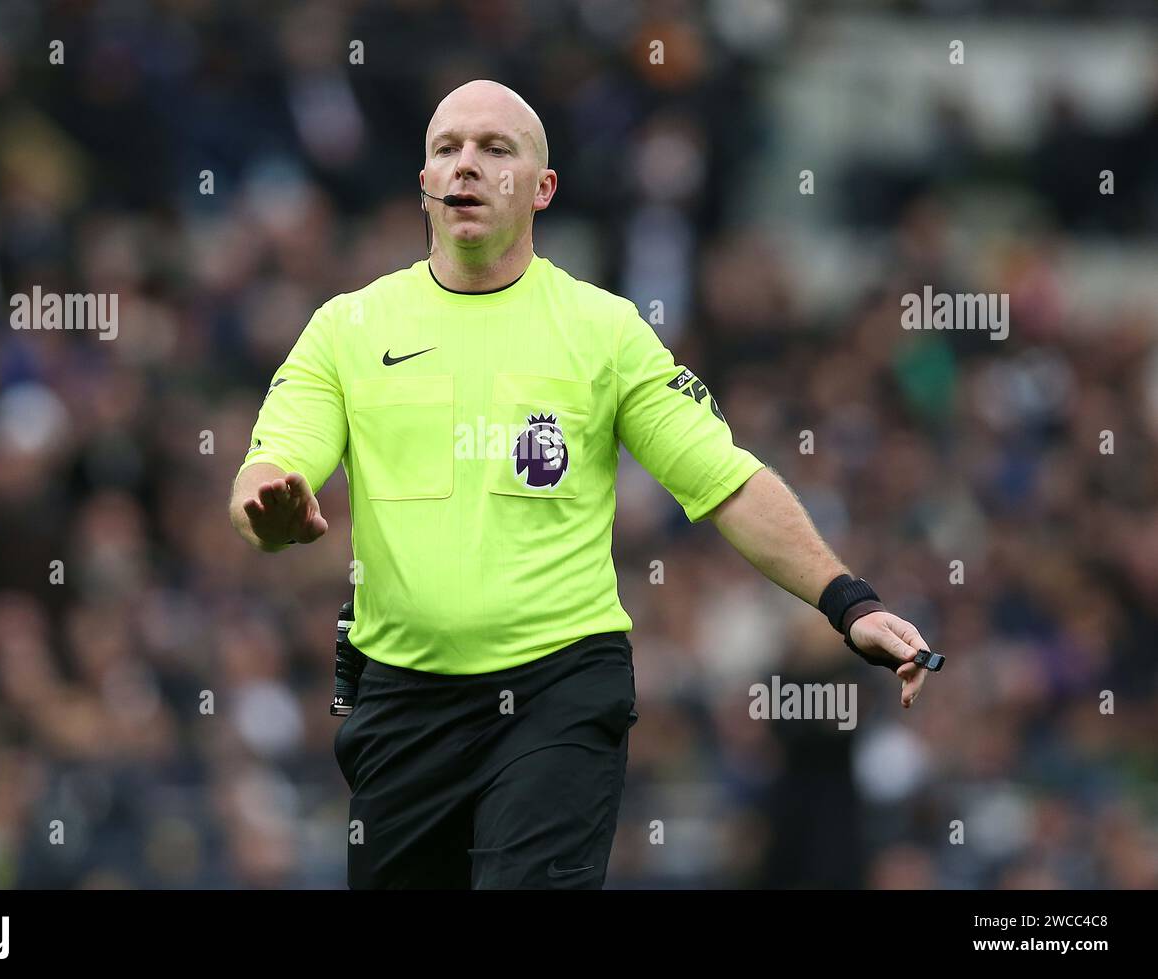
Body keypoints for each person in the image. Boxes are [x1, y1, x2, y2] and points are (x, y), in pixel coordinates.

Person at [228, 79, 936, 889]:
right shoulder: (348, 328)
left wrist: (851, 602)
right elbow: (271, 463)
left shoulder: (604, 331)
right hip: (401, 705)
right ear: (423, 180)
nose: (466, 165)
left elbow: (725, 480)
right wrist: (269, 510)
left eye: (496, 150)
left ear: (543, 189)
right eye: (446, 148)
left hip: (555, 693)